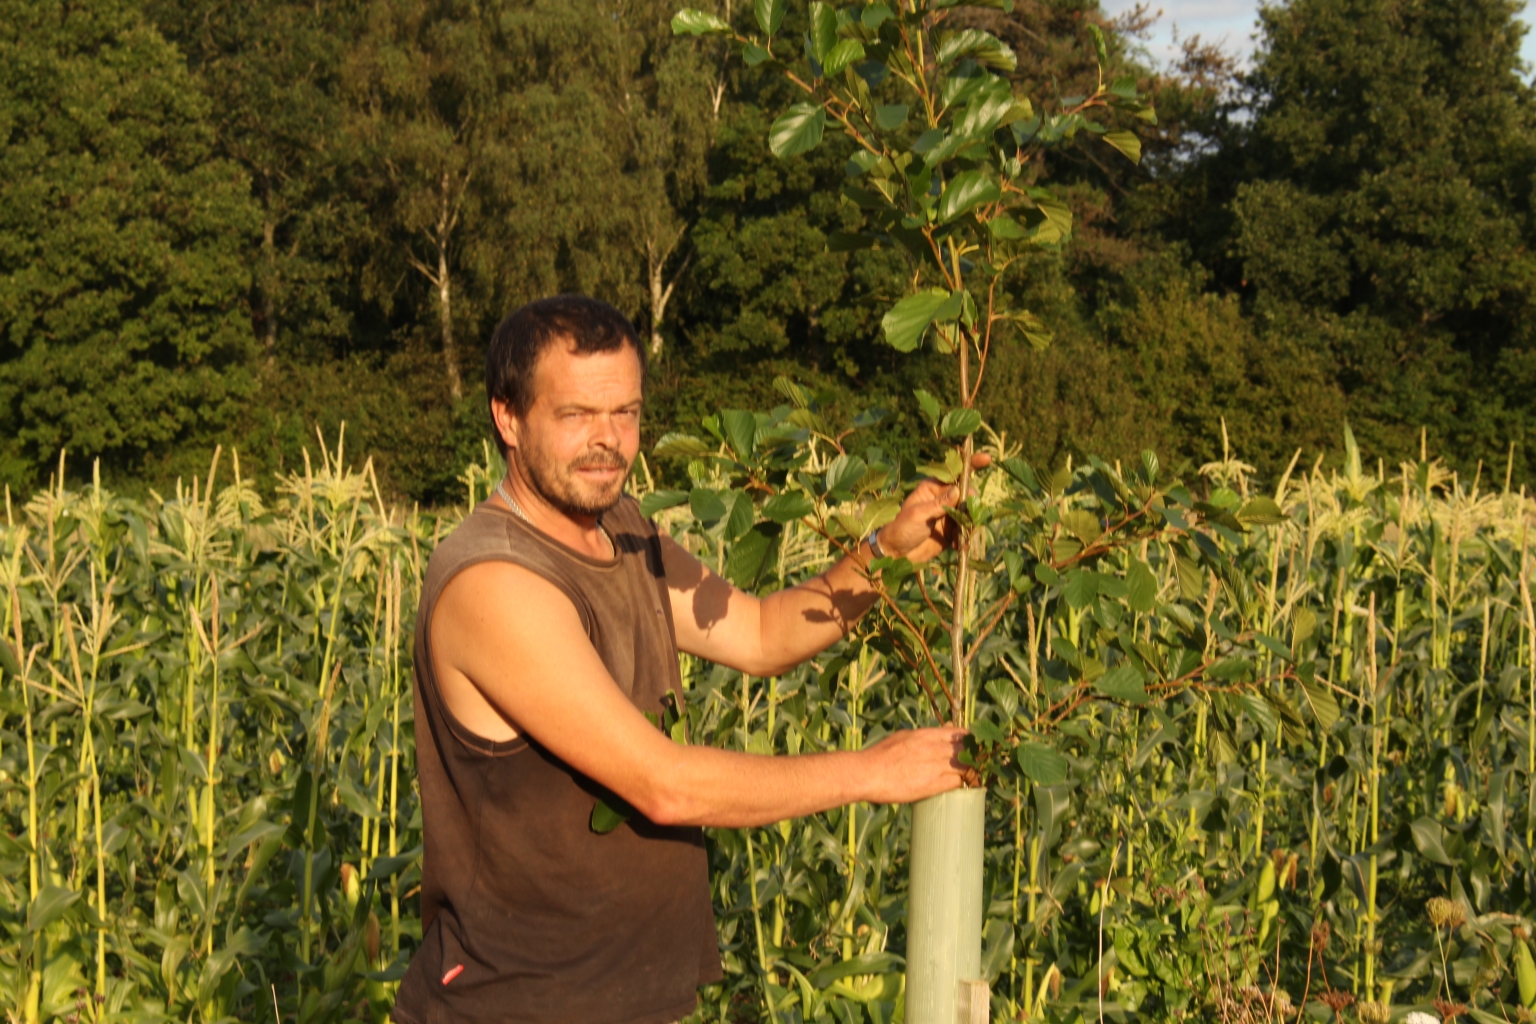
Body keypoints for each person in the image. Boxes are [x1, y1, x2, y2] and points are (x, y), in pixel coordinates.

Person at [392, 295, 974, 1024]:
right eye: (576, 415)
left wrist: (884, 552)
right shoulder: (495, 581)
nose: (607, 441)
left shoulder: (625, 533)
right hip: (512, 1007)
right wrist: (873, 771)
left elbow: (761, 634)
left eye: (626, 413)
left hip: (619, 1001)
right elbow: (663, 784)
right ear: (508, 418)